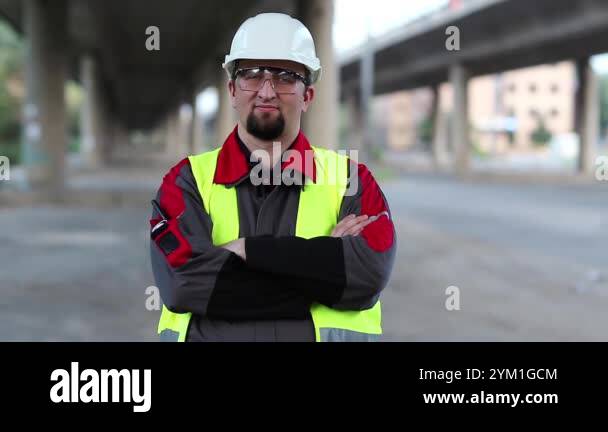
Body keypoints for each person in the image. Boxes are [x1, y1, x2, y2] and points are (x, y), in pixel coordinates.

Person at [150, 12, 396, 342]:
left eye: (284, 76)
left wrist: (247, 250)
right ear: (232, 90)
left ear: (307, 96)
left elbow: (367, 274)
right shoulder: (187, 181)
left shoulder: (351, 178)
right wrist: (320, 271)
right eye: (251, 74)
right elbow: (183, 285)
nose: (267, 91)